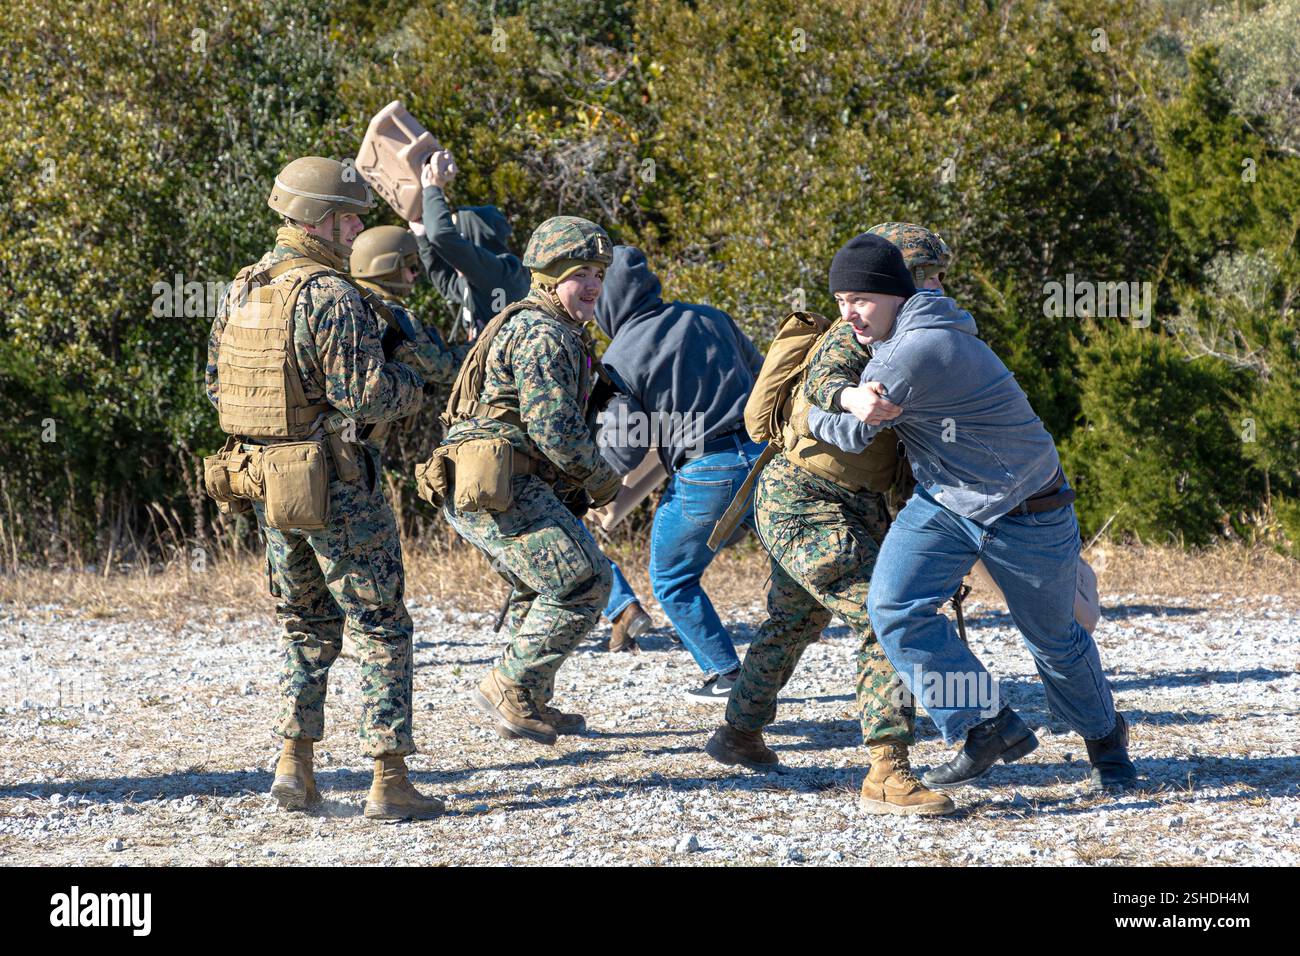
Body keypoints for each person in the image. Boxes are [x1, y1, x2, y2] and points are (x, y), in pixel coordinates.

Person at [805, 232, 1138, 793]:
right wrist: (842, 395)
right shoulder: (896, 332)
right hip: (947, 500)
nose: (848, 315)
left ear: (893, 293)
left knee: (1055, 639)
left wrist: (815, 413)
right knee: (893, 607)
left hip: (1026, 507)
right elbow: (851, 401)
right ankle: (986, 724)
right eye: (840, 301)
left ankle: (1106, 740)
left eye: (859, 299)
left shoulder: (919, 348)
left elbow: (852, 434)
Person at [204, 157, 443, 820]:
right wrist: (413, 383)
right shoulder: (332, 294)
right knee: (379, 623)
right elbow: (364, 394)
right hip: (338, 485)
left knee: (305, 624)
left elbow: (216, 390)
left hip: (269, 487)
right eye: (354, 216)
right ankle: (389, 781)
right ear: (327, 220)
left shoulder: (244, 287)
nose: (361, 227)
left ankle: (294, 765)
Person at [703, 224, 956, 815]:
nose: (940, 287)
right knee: (881, 613)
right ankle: (887, 772)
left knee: (792, 621)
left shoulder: (919, 337)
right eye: (930, 277)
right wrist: (851, 400)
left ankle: (739, 732)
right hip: (804, 500)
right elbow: (825, 380)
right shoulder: (852, 335)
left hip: (859, 506)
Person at [433, 216, 622, 746]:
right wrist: (605, 481)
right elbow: (555, 431)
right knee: (584, 582)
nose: (591, 285)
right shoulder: (543, 333)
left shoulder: (551, 327)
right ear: (548, 276)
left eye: (598, 274)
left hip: (497, 480)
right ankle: (511, 685)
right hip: (499, 482)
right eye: (578, 273)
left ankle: (527, 699)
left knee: (537, 585)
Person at [593, 246, 767, 699]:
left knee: (672, 578)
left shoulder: (620, 356)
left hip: (707, 471)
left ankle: (725, 673)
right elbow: (766, 381)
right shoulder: (711, 316)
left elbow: (623, 450)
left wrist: (584, 484)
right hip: (766, 457)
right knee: (800, 568)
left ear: (607, 300)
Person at [349, 224, 463, 444]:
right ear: (388, 267)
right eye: (411, 267)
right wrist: (478, 348)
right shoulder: (395, 316)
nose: (414, 275)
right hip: (365, 439)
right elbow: (440, 369)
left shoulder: (347, 302)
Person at [409, 148, 530, 340]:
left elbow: (442, 236)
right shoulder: (482, 279)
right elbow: (446, 282)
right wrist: (423, 236)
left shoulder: (500, 275)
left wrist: (433, 188)